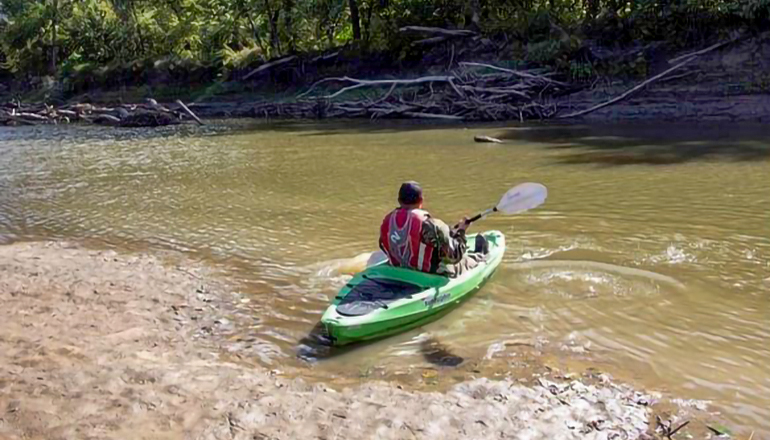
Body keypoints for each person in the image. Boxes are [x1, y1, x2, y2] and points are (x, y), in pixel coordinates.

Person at [379, 181, 487, 277]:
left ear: (399, 200)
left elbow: (383, 245)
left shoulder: (387, 220)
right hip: (427, 274)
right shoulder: (431, 224)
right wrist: (461, 231)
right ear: (421, 200)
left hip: (398, 269)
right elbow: (455, 257)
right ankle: (479, 255)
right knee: (465, 262)